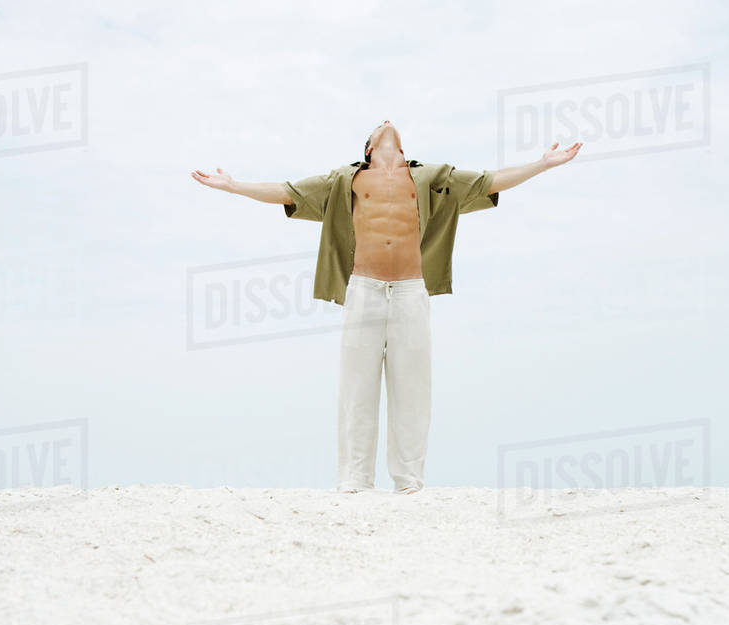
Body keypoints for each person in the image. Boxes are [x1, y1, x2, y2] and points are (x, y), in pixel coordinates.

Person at [191, 121, 581, 494]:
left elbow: (491, 181)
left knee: (413, 387)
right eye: (379, 127)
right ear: (369, 148)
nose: (387, 122)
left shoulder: (433, 176)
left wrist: (543, 164)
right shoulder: (344, 179)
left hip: (412, 290)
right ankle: (354, 479)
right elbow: (287, 191)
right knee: (356, 388)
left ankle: (409, 479)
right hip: (363, 289)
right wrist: (233, 187)